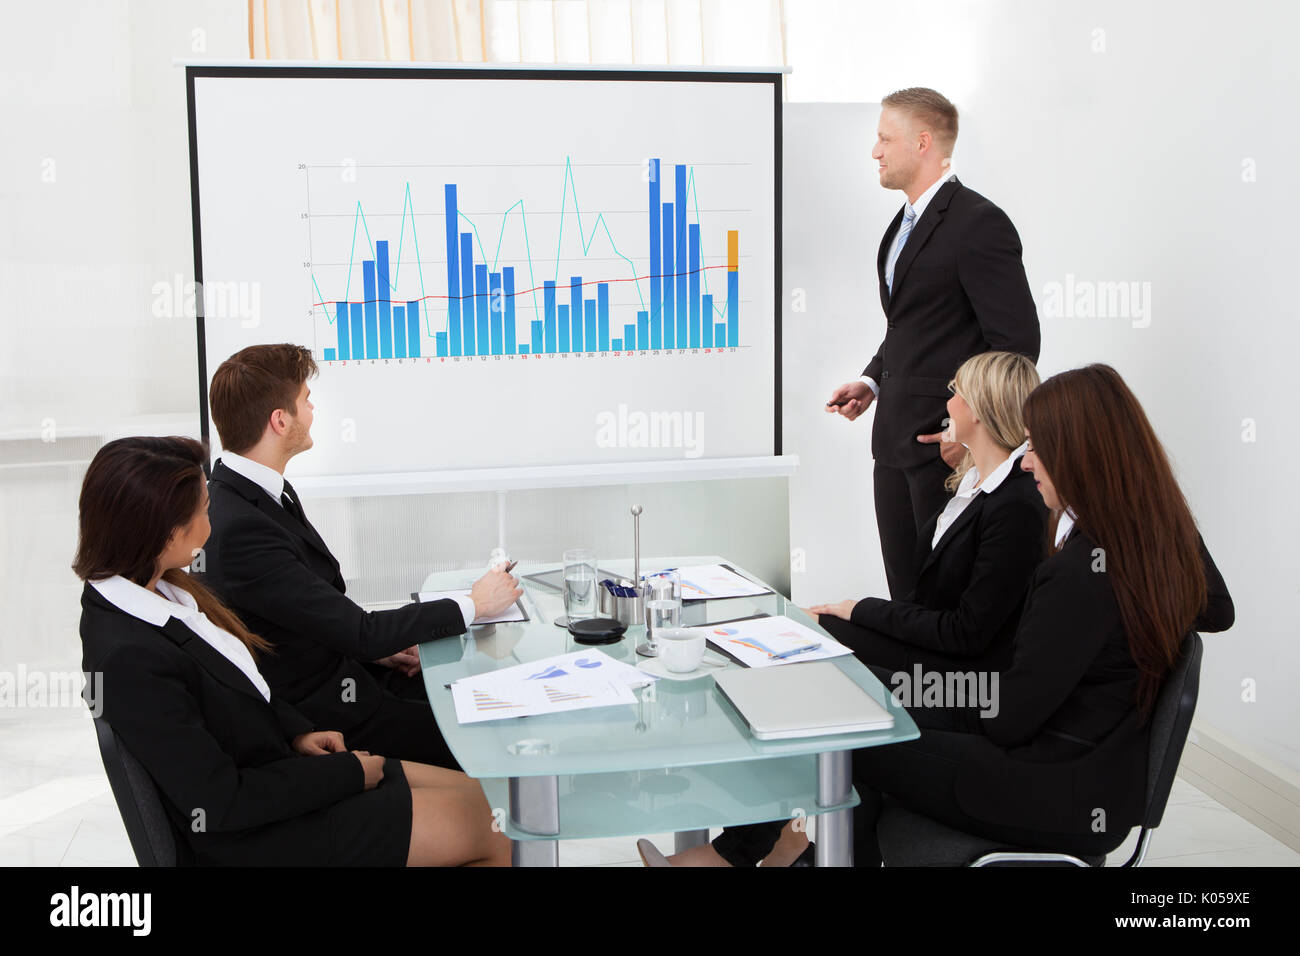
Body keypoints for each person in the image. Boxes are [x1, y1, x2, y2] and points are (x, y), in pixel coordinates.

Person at [643, 350, 1048, 867]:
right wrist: (847, 616)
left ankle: (741, 853)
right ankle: (787, 841)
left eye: (958, 393)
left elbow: (968, 633)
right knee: (805, 640)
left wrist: (861, 611)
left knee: (823, 678)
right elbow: (931, 597)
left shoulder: (1015, 505)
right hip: (940, 650)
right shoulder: (971, 485)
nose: (947, 401)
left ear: (984, 410)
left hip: (962, 676)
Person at [845, 363, 1234, 865]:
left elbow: (1007, 720)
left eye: (1036, 447)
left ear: (1077, 457)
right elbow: (1217, 608)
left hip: (1049, 789)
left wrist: (920, 702)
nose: (1026, 463)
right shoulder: (1137, 550)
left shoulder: (1080, 574)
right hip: (1086, 772)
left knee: (848, 741)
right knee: (876, 707)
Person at [76, 436, 509, 866]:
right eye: (203, 508)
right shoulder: (128, 657)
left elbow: (237, 689)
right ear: (166, 533)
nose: (213, 513)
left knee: (493, 803)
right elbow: (220, 801)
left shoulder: (163, 589)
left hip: (283, 778)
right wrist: (345, 775)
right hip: (260, 838)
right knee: (500, 834)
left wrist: (295, 733)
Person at [198, 343, 521, 767]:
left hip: (351, 675)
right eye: (305, 401)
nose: (312, 410)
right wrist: (475, 604)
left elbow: (314, 616)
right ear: (279, 421)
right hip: (329, 715)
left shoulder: (256, 494)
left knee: (482, 687)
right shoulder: (240, 526)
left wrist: (375, 651)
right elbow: (360, 630)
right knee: (495, 730)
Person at [825, 88, 1040, 601]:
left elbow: (1016, 347)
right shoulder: (900, 227)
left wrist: (964, 431)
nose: (874, 151)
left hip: (945, 452)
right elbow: (908, 326)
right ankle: (906, 686)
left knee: (945, 604)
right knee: (906, 598)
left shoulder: (978, 223)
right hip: (893, 446)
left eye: (883, 138)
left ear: (922, 142)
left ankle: (942, 687)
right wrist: (873, 380)